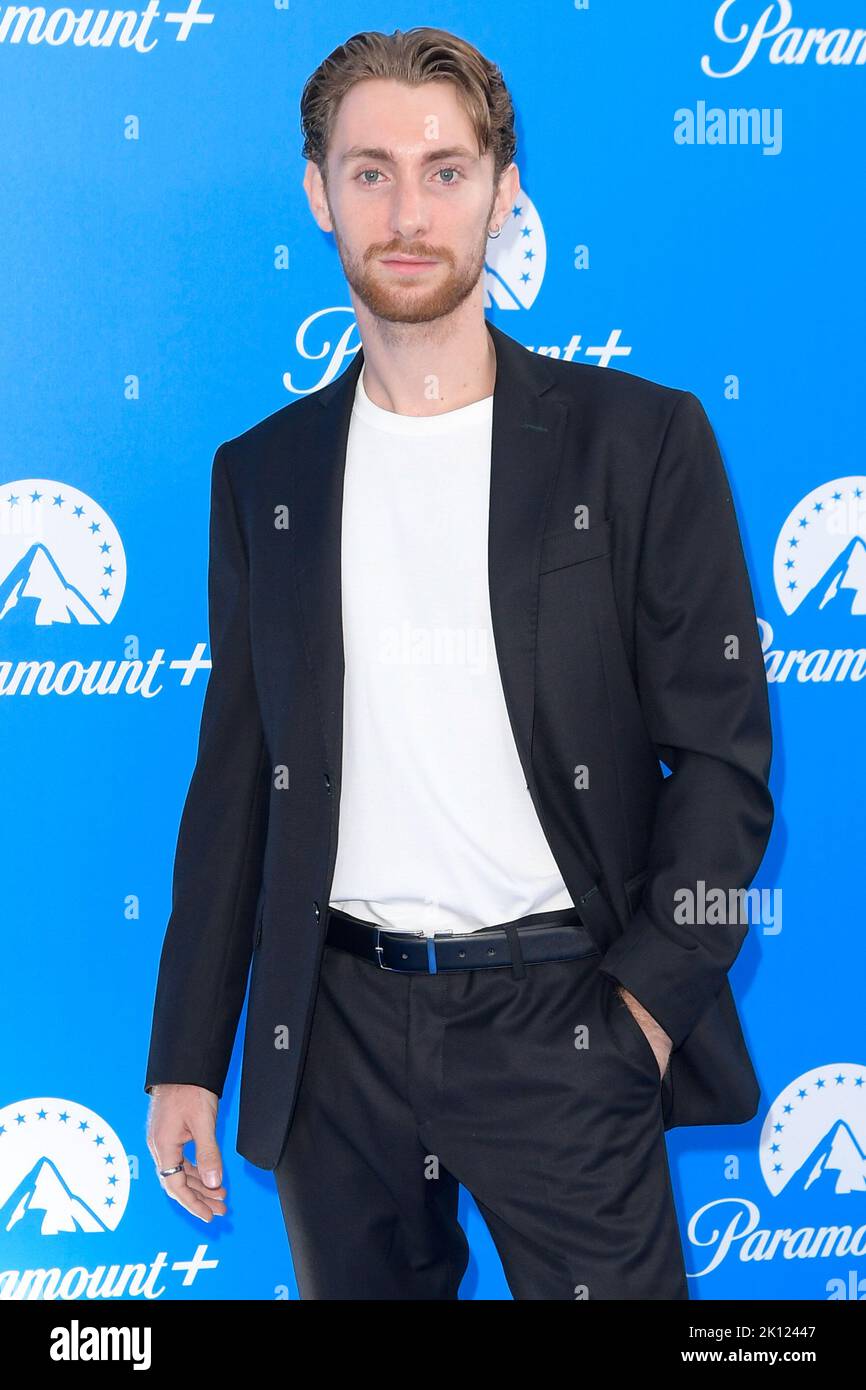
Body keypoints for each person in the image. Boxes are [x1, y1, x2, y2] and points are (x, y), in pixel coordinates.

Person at [145, 26, 774, 1301]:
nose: (408, 210)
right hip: (333, 1036)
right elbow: (235, 784)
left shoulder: (635, 441)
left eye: (444, 169)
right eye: (369, 171)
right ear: (317, 192)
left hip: (565, 1017)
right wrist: (186, 1058)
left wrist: (642, 1013)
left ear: (502, 189)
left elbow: (720, 765)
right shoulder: (260, 475)